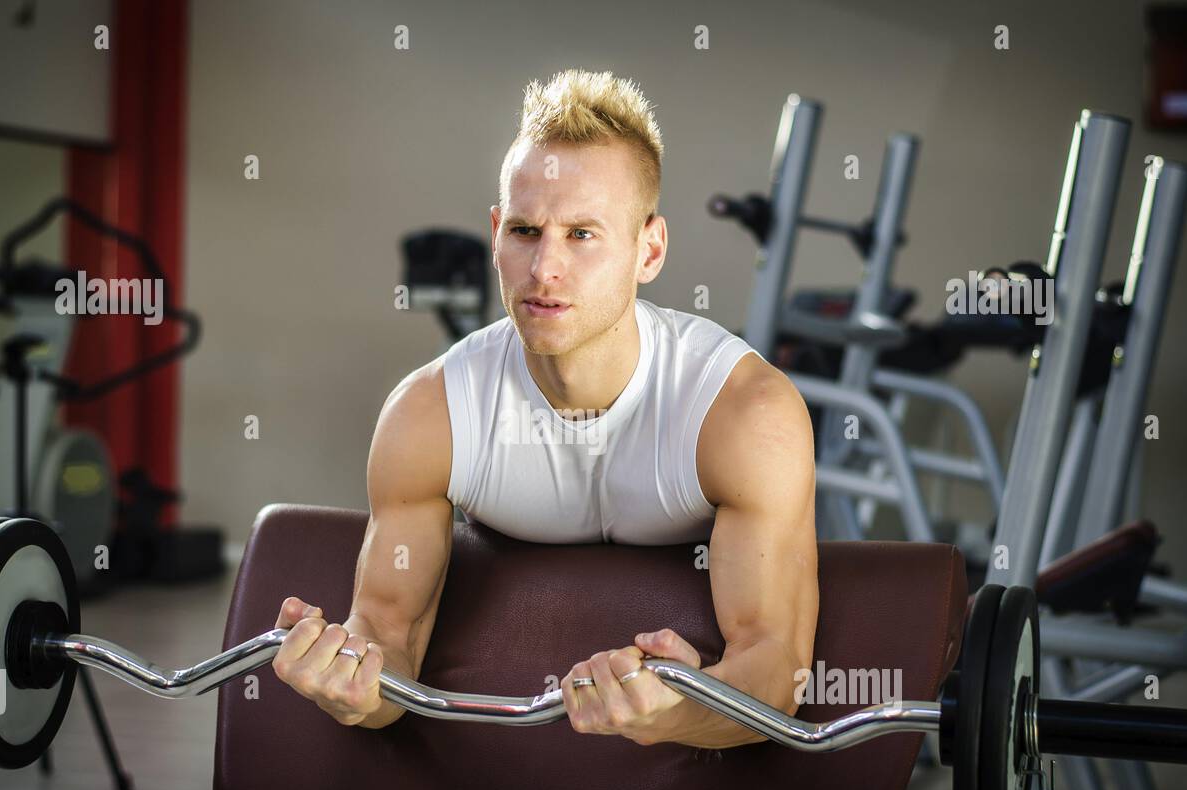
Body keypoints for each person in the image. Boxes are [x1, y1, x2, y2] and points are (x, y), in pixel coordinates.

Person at [272, 69, 818, 749]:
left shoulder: (742, 415)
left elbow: (778, 670)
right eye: (526, 231)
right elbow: (388, 646)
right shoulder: (429, 415)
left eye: (583, 234)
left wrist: (674, 713)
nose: (543, 269)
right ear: (497, 232)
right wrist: (350, 688)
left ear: (650, 248)